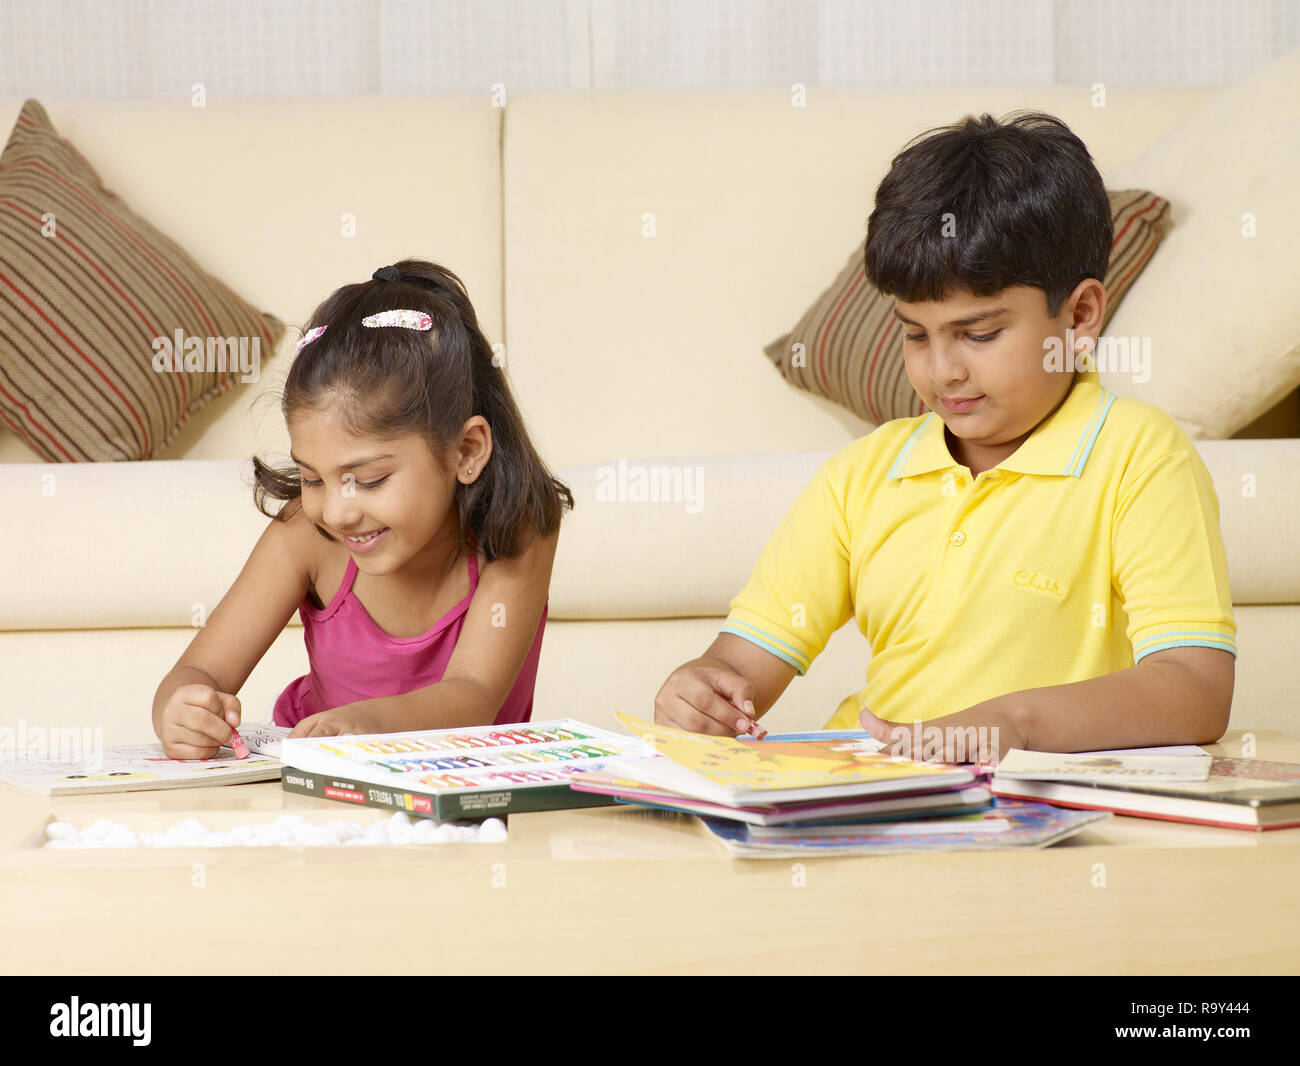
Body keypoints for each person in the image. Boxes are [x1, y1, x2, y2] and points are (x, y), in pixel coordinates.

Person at [654, 112, 1236, 763]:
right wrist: (702, 690)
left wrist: (1012, 723)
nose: (943, 370)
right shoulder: (862, 475)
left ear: (1079, 316)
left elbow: (1195, 687)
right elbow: (743, 665)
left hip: (1030, 808)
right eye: (915, 334)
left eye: (980, 334)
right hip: (870, 795)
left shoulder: (1139, 456)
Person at [152, 260, 572, 756]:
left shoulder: (517, 530)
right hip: (320, 789)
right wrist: (181, 710)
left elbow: (473, 695)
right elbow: (199, 671)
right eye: (312, 478)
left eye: (368, 480)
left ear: (466, 451)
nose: (337, 512)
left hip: (461, 791)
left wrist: (366, 724)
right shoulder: (305, 535)